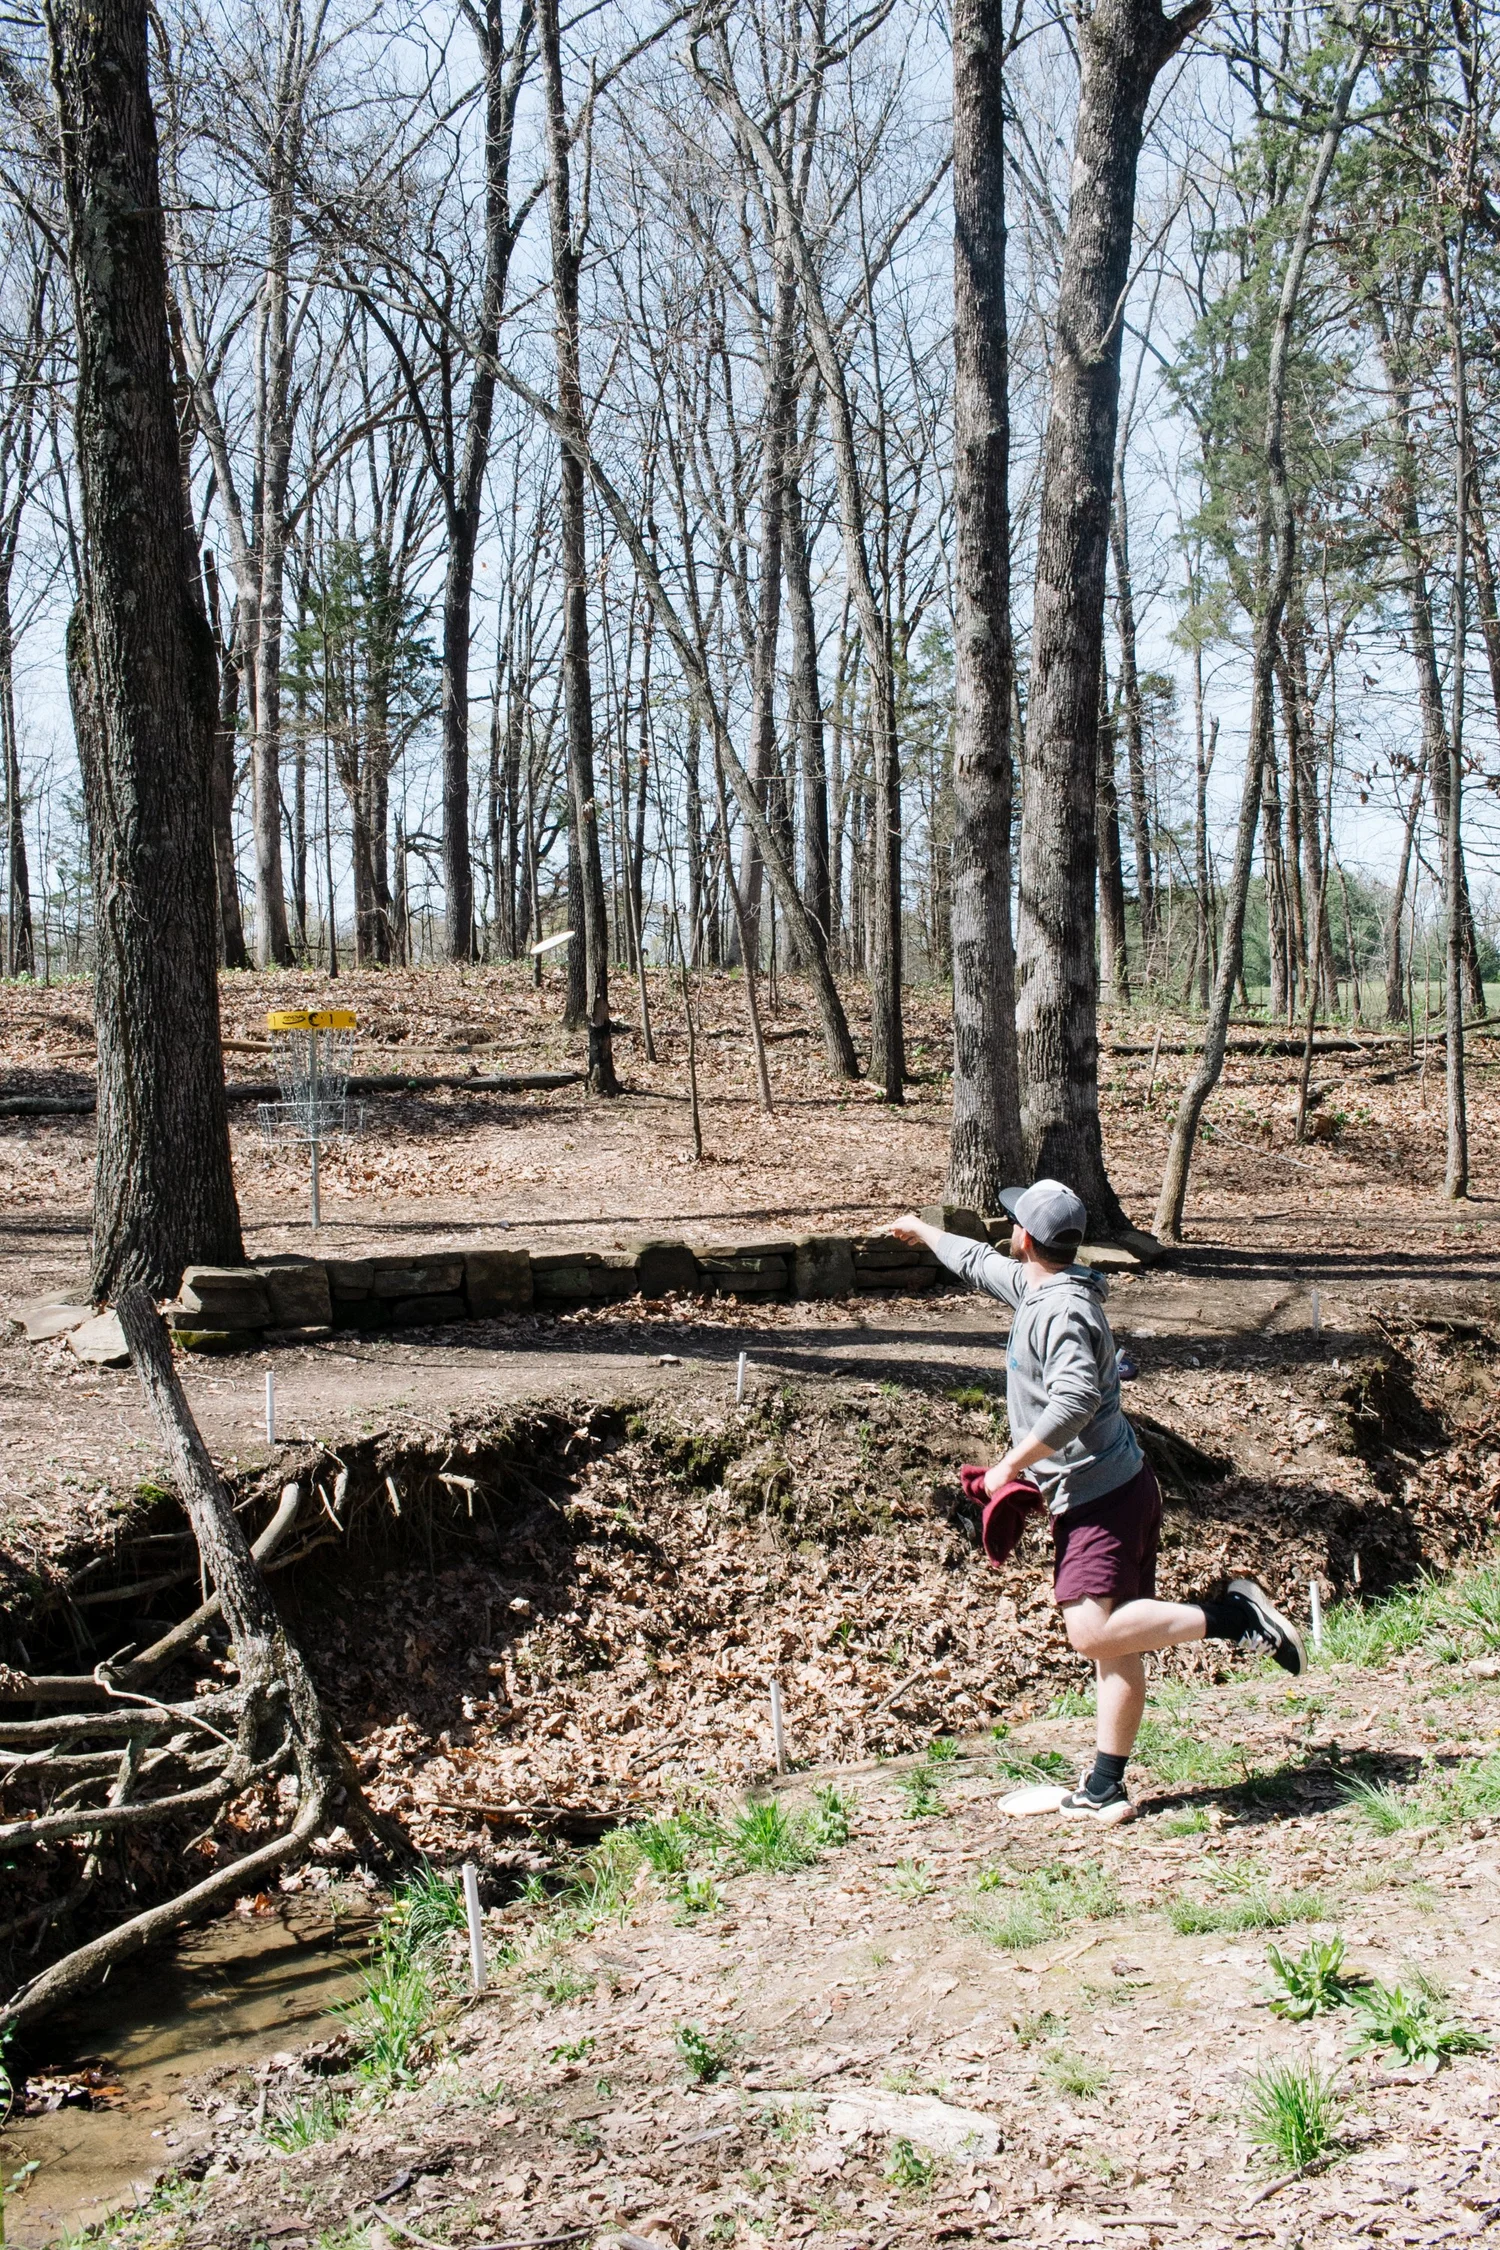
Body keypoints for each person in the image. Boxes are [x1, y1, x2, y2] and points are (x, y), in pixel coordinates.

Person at [892, 1180, 1305, 1824]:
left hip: (1101, 1497)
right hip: (1114, 1487)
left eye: (1013, 1223)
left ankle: (1234, 1617)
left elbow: (1077, 1398)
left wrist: (1009, 1465)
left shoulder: (1062, 1311)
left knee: (1091, 1635)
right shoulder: (1039, 1286)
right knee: (1119, 1644)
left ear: (1025, 1238)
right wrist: (922, 1231)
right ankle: (1105, 1787)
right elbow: (974, 1261)